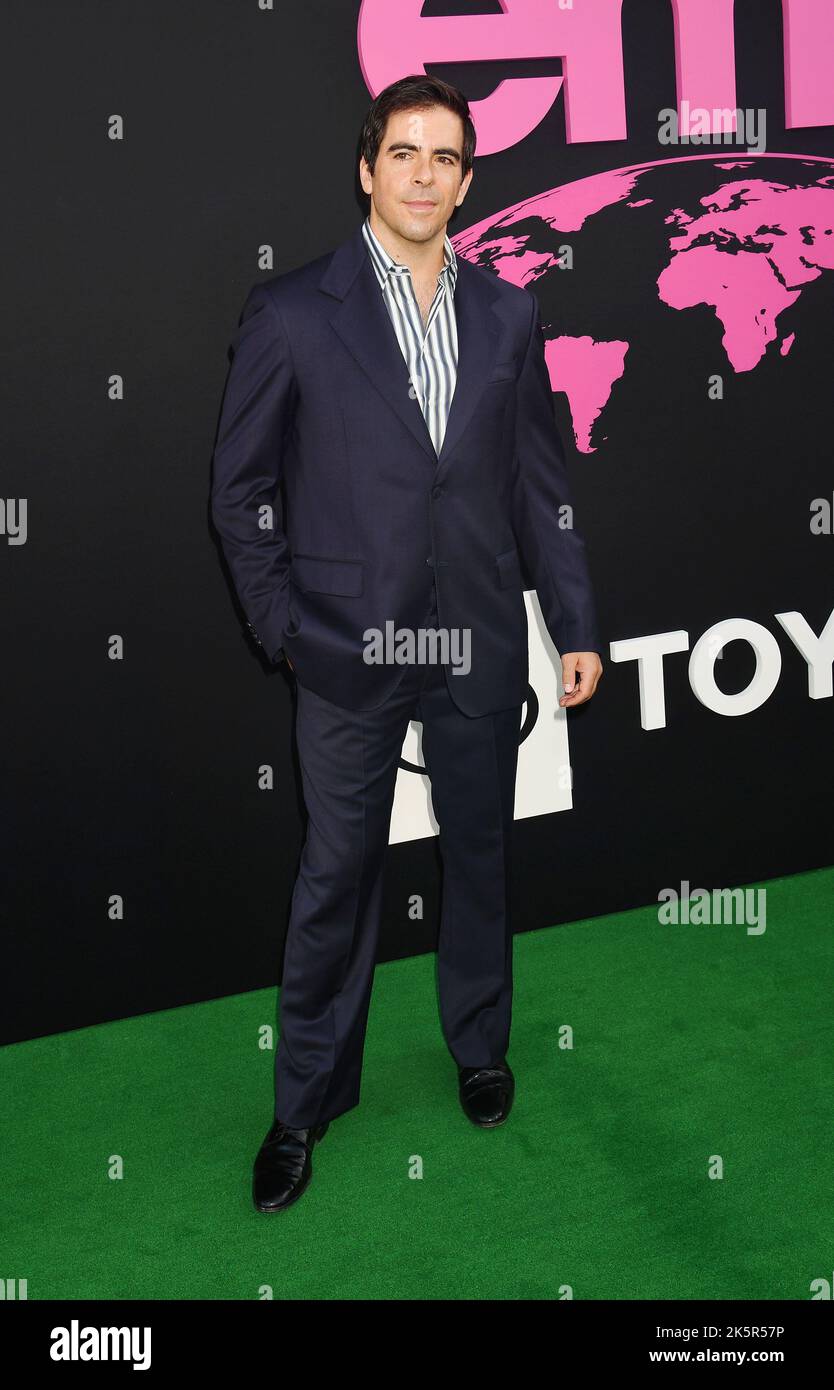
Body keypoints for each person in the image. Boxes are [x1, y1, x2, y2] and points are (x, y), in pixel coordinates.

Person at [210, 75, 603, 1213]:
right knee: (337, 875)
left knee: (479, 853)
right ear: (367, 169)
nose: (424, 173)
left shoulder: (509, 312)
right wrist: (284, 627)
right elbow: (238, 495)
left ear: (468, 179)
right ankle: (303, 1105)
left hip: (479, 637)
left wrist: (572, 621)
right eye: (404, 152)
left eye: (445, 156)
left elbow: (539, 483)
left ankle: (479, 1042)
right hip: (346, 648)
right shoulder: (291, 312)